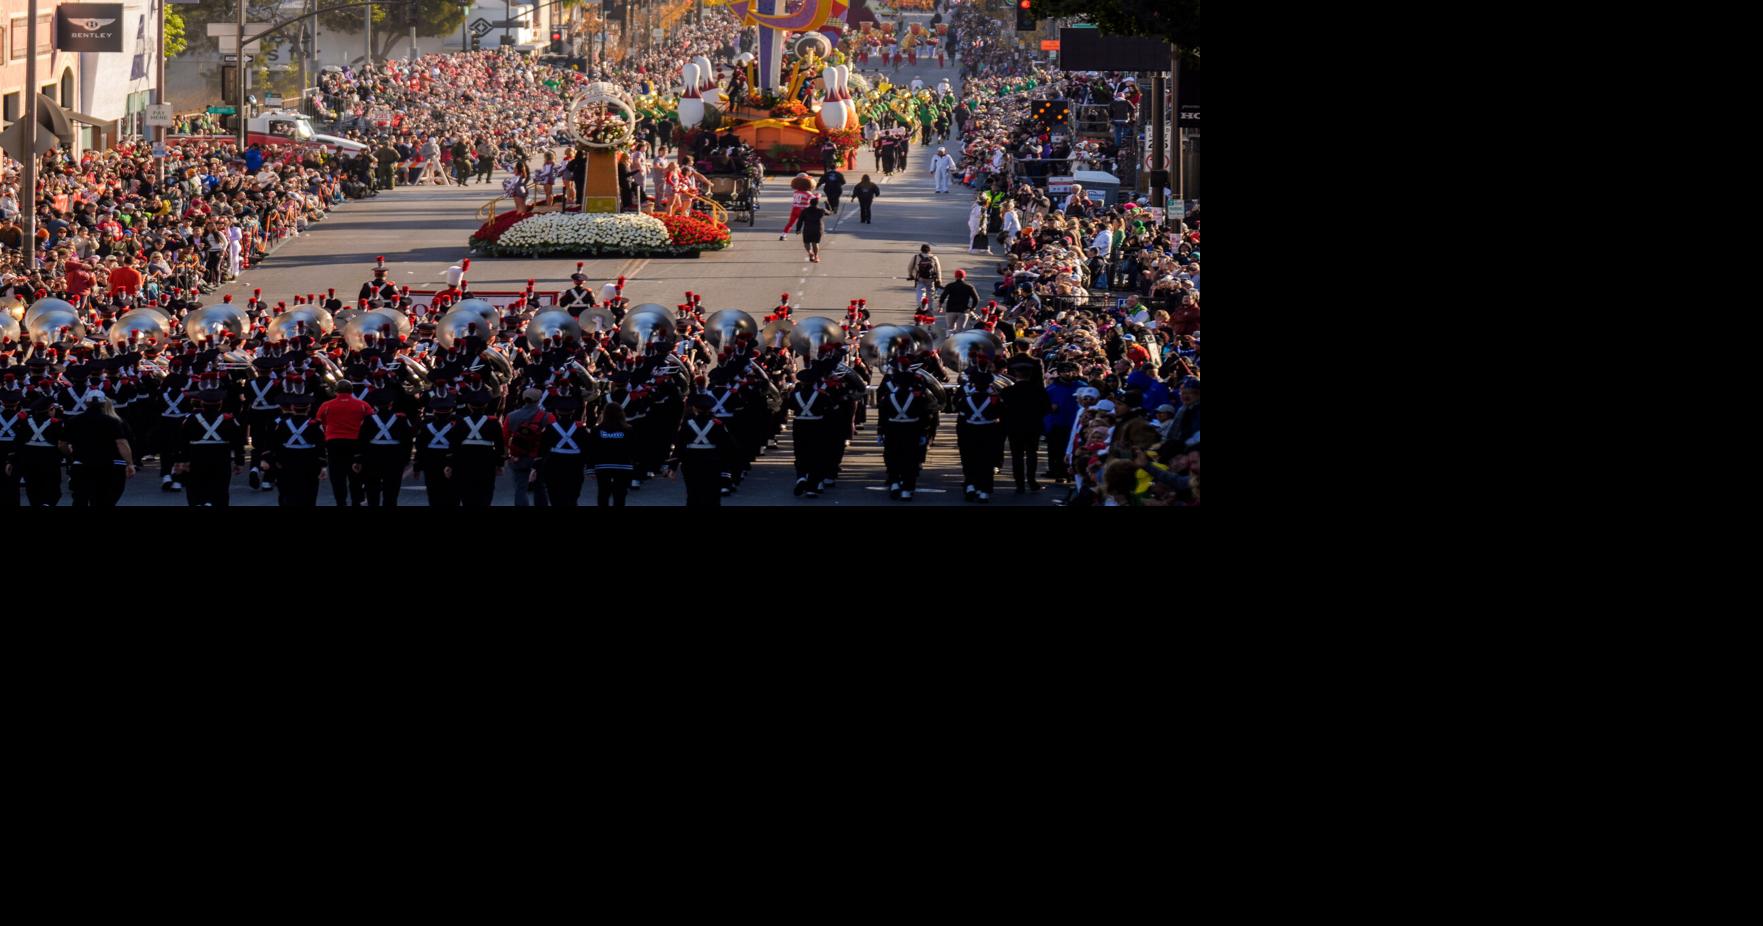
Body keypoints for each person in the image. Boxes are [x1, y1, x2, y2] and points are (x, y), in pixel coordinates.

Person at [173, 390, 245, 507]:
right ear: (220, 404)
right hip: (221, 459)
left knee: (196, 489)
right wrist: (239, 461)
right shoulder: (229, 420)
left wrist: (181, 460)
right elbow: (238, 442)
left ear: (202, 404)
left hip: (197, 458)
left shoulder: (191, 419)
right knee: (220, 490)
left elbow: (182, 441)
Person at [61, 394, 135, 507]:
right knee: (102, 499)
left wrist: (71, 456)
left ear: (86, 403)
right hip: (105, 465)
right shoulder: (113, 422)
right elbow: (122, 443)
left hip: (81, 464)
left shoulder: (73, 420)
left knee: (80, 498)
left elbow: (62, 444)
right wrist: (130, 463)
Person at [877, 368, 933, 501]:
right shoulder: (918, 398)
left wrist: (880, 432)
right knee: (911, 460)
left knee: (892, 457)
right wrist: (924, 432)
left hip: (892, 431)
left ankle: (895, 482)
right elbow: (924, 417)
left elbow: (882, 417)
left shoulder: (888, 398)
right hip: (912, 431)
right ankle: (907, 489)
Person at [263, 393, 326, 507]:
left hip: (287, 463)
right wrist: (323, 465)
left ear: (293, 408)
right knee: (309, 495)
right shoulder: (315, 424)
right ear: (309, 408)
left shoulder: (282, 424)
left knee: (287, 494)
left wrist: (271, 460)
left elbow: (274, 443)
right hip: (309, 463)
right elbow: (321, 445)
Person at [315, 381, 372, 506]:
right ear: (351, 391)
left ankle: (340, 502)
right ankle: (356, 500)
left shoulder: (327, 405)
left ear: (336, 391)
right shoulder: (362, 405)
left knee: (337, 475)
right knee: (356, 474)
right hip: (355, 442)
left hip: (334, 442)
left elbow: (319, 422)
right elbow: (371, 421)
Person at [667, 393, 729, 507]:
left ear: (694, 408)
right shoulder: (717, 424)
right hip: (712, 461)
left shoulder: (687, 423)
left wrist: (673, 466)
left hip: (691, 461)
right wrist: (726, 468)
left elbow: (680, 445)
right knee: (712, 494)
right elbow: (726, 446)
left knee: (693, 494)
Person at [356, 390, 413, 506]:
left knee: (372, 489)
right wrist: (406, 458)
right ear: (391, 404)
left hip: (373, 455)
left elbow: (362, 440)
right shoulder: (401, 419)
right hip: (394, 456)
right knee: (392, 491)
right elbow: (407, 440)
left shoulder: (368, 419)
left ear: (375, 405)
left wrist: (359, 458)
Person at [504, 388, 554, 508]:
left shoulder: (511, 416)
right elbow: (554, 437)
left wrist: (508, 455)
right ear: (539, 400)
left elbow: (505, 437)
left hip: (518, 456)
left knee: (520, 488)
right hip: (539, 457)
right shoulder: (548, 417)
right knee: (540, 486)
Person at [537, 398, 589, 507]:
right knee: (572, 496)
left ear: (556, 411)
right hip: (575, 465)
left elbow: (543, 448)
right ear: (573, 412)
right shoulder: (580, 428)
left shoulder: (550, 428)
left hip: (554, 464)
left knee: (555, 495)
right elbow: (587, 448)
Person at [414, 395, 460, 507]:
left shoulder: (425, 427)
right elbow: (459, 446)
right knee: (452, 494)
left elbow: (420, 448)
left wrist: (417, 467)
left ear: (434, 411)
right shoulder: (458, 425)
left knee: (433, 494)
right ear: (451, 411)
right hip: (451, 462)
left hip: (430, 463)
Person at [586, 402, 634, 506]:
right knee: (620, 495)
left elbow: (591, 450)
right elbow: (634, 449)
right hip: (623, 466)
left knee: (603, 494)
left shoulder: (596, 430)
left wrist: (590, 468)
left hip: (602, 466)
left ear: (604, 414)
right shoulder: (629, 430)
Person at [799, 195, 828, 263]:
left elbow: (800, 220)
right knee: (815, 243)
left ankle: (810, 253)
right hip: (818, 229)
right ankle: (816, 256)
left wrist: (798, 229)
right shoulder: (821, 210)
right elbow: (830, 212)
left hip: (807, 228)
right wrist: (827, 204)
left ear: (810, 203)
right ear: (817, 203)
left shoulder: (805, 210)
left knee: (806, 243)